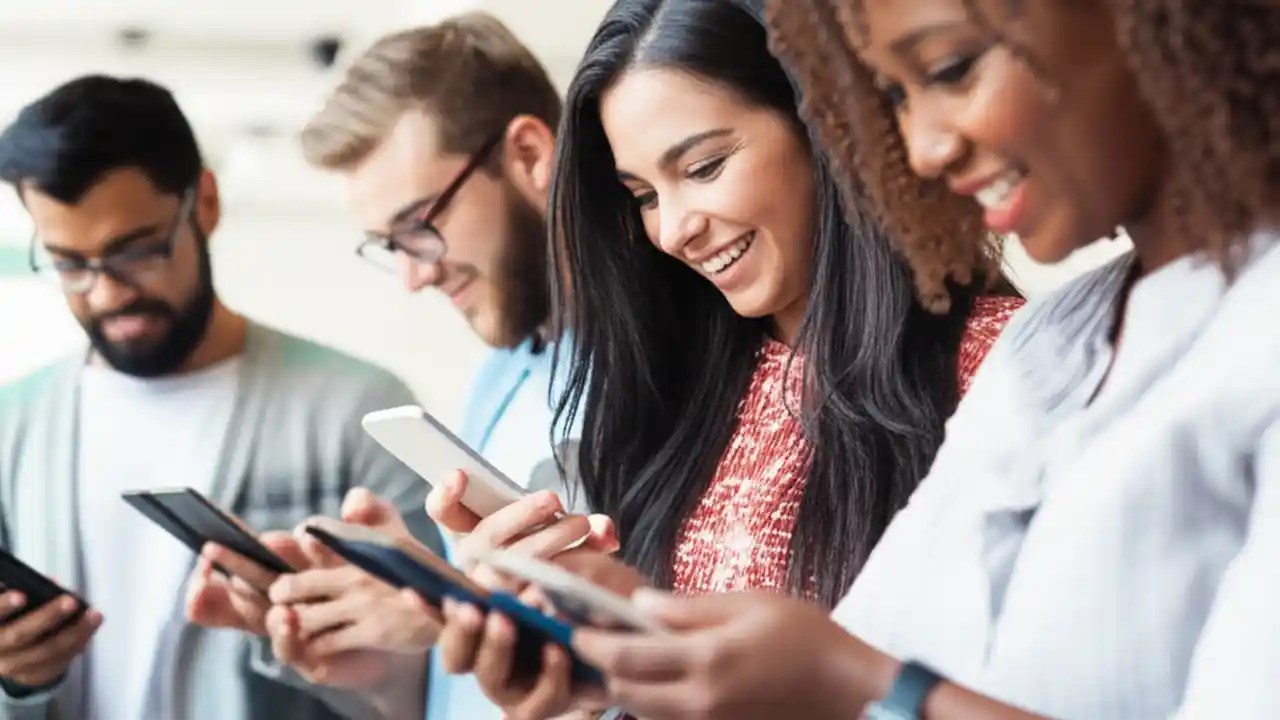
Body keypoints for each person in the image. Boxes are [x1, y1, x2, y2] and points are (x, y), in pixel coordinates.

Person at [479, 0, 1280, 718]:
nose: (921, 148)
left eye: (952, 69)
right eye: (893, 96)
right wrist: (637, 651)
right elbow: (874, 654)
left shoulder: (1022, 349)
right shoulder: (1055, 344)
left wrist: (857, 683)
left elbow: (863, 672)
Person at [429, 0, 1021, 716]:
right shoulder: (675, 395)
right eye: (643, 196)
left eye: (704, 167)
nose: (675, 229)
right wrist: (586, 680)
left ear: (824, 127)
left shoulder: (1007, 373)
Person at [187, 14, 598, 720]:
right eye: (391, 245)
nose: (413, 277)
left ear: (530, 154)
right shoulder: (498, 379)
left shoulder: (668, 369)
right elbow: (462, 696)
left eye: (419, 228)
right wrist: (391, 654)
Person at [0, 75, 438, 720]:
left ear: (204, 203)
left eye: (136, 252)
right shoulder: (13, 425)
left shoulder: (360, 412)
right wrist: (16, 679)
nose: (106, 293)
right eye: (70, 264)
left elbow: (437, 677)